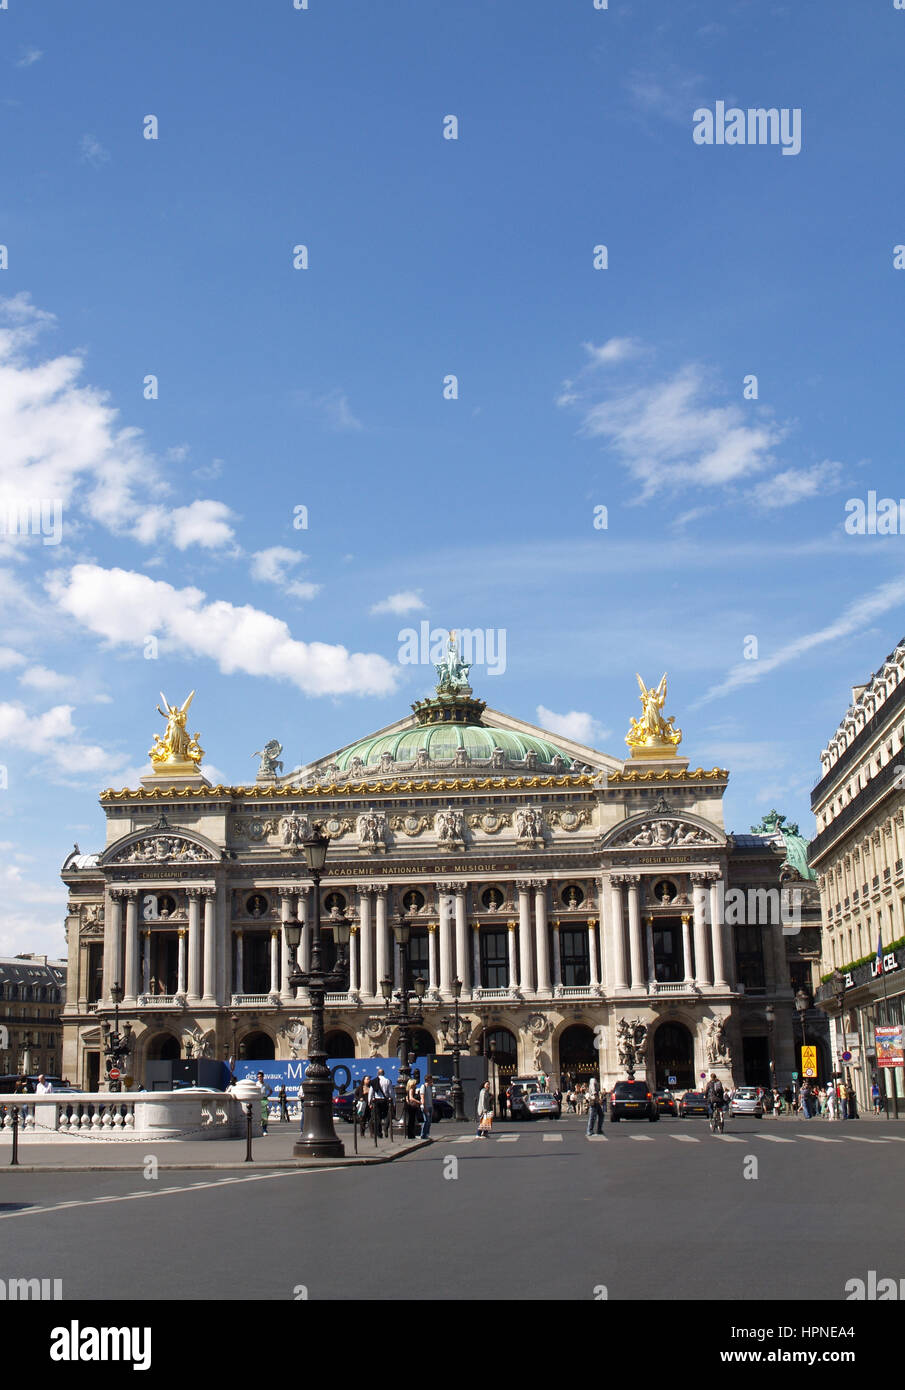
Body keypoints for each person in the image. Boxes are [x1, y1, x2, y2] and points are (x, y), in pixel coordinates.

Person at [372, 1068, 393, 1137]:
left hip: (377, 1100)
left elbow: (371, 1092)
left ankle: (379, 1132)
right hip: (385, 1100)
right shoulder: (387, 1081)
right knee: (387, 1115)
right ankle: (386, 1127)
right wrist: (392, 1100)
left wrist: (370, 1101)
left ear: (377, 1073)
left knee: (377, 1117)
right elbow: (390, 1092)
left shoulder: (374, 1081)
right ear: (384, 1073)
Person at [417, 1073, 433, 1140]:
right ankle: (423, 1134)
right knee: (426, 1120)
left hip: (430, 1106)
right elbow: (422, 1097)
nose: (432, 1080)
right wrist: (424, 1106)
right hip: (425, 1106)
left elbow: (430, 1098)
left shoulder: (429, 1087)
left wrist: (432, 1106)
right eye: (431, 1079)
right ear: (428, 1079)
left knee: (429, 1122)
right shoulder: (423, 1086)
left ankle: (426, 1134)